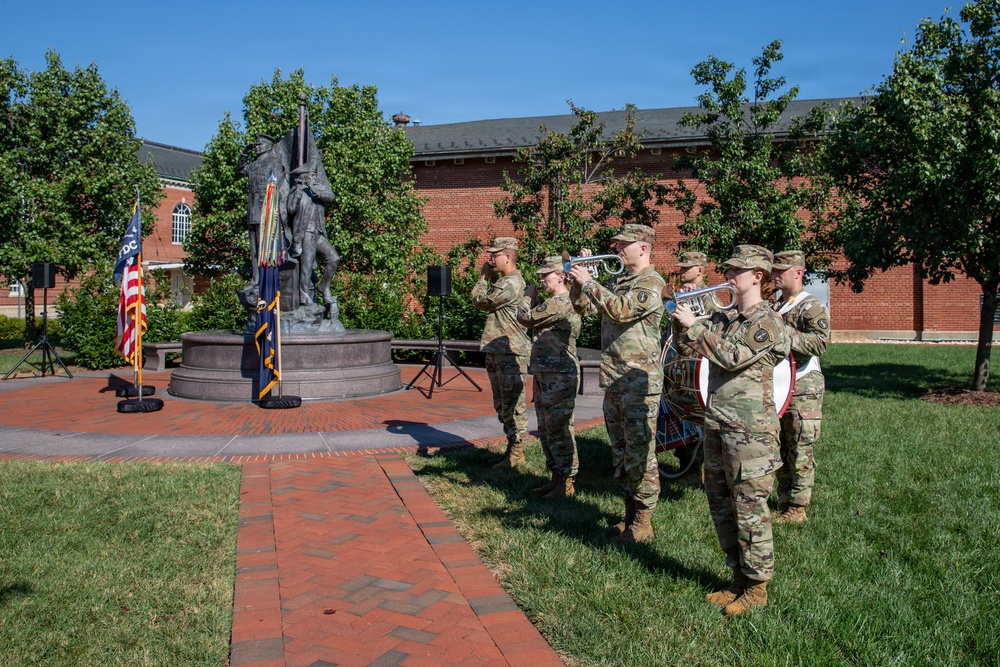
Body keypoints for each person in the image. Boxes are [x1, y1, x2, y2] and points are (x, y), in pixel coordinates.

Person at [671, 244, 790, 616]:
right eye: (728, 269)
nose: (728, 276)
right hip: (719, 422)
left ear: (758, 276)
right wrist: (681, 323)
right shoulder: (724, 318)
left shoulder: (767, 322)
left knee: (749, 509)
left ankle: (757, 587)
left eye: (737, 270)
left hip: (750, 432)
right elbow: (687, 349)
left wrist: (697, 329)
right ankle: (737, 577)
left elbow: (732, 356)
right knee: (720, 504)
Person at [568, 224, 665, 544]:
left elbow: (621, 311)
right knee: (621, 453)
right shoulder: (618, 280)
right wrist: (578, 281)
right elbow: (582, 307)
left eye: (625, 244)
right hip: (615, 378)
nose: (618, 249)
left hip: (639, 381)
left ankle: (643, 522)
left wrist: (591, 282)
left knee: (640, 453)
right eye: (617, 244)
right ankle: (628, 515)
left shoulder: (652, 283)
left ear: (644, 249)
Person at [771, 250, 831, 524]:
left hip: (804, 384)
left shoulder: (811, 306)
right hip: (779, 383)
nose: (775, 275)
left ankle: (798, 507)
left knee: (800, 444)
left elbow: (820, 343)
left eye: (781, 270)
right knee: (780, 444)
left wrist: (785, 336)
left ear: (798, 273)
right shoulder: (774, 306)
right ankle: (784, 499)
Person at [517, 256, 581, 497]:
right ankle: (556, 477)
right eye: (540, 275)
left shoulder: (562, 302)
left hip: (560, 374)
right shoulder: (554, 302)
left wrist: (527, 298)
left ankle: (567, 481)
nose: (541, 279)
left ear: (561, 276)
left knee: (559, 427)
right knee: (546, 426)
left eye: (546, 275)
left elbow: (525, 317)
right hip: (547, 373)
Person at [472, 237, 532, 467]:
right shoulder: (505, 281)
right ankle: (512, 448)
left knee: (512, 404)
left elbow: (482, 301)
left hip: (510, 351)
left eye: (495, 255)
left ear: (508, 257)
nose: (490, 259)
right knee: (502, 403)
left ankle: (517, 450)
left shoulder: (511, 283)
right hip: (499, 350)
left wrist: (483, 278)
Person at [668, 250, 716, 486]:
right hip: (680, 364)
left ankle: (696, 469)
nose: (681, 271)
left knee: (697, 422)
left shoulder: (709, 297)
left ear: (700, 270)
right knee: (683, 418)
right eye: (680, 267)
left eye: (687, 268)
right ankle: (686, 465)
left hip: (697, 365)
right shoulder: (679, 293)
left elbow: (710, 328)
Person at [236, 134, 290, 285]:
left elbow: (278, 186)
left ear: (268, 146)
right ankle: (256, 277)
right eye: (257, 145)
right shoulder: (253, 164)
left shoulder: (274, 163)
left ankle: (266, 279)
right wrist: (244, 154)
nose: (258, 147)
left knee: (264, 247)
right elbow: (240, 170)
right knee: (253, 247)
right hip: (253, 208)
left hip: (266, 209)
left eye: (260, 144)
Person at [287, 162, 338, 306]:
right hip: (306, 233)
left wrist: (315, 191)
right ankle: (304, 295)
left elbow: (330, 197)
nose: (315, 177)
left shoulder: (318, 191)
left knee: (334, 258)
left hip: (318, 232)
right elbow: (291, 210)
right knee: (307, 266)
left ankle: (324, 286)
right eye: (312, 174)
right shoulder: (297, 191)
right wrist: (298, 194)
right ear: (304, 176)